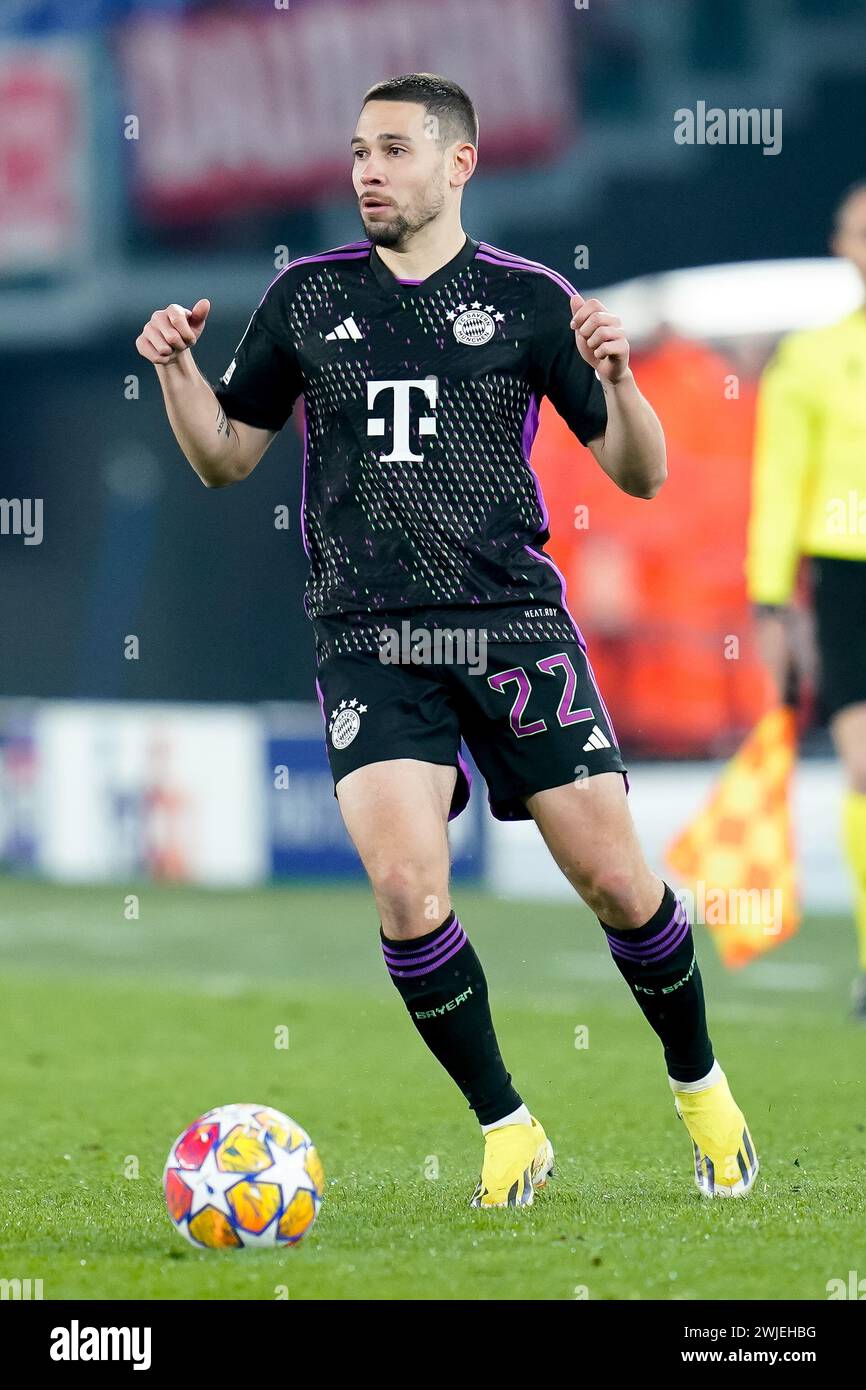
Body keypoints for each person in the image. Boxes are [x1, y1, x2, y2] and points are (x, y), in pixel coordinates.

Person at [136, 72, 758, 1206]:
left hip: (512, 625)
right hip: (368, 637)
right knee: (407, 895)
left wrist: (618, 383)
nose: (366, 170)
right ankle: (507, 1124)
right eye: (357, 151)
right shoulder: (304, 300)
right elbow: (225, 457)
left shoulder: (528, 302)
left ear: (457, 163)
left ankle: (700, 1086)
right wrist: (178, 372)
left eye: (391, 149)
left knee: (618, 884)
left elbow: (643, 470)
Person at [748, 181, 866, 1020]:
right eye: (856, 230)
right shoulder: (814, 357)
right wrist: (769, 601)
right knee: (863, 766)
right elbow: (780, 482)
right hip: (846, 568)